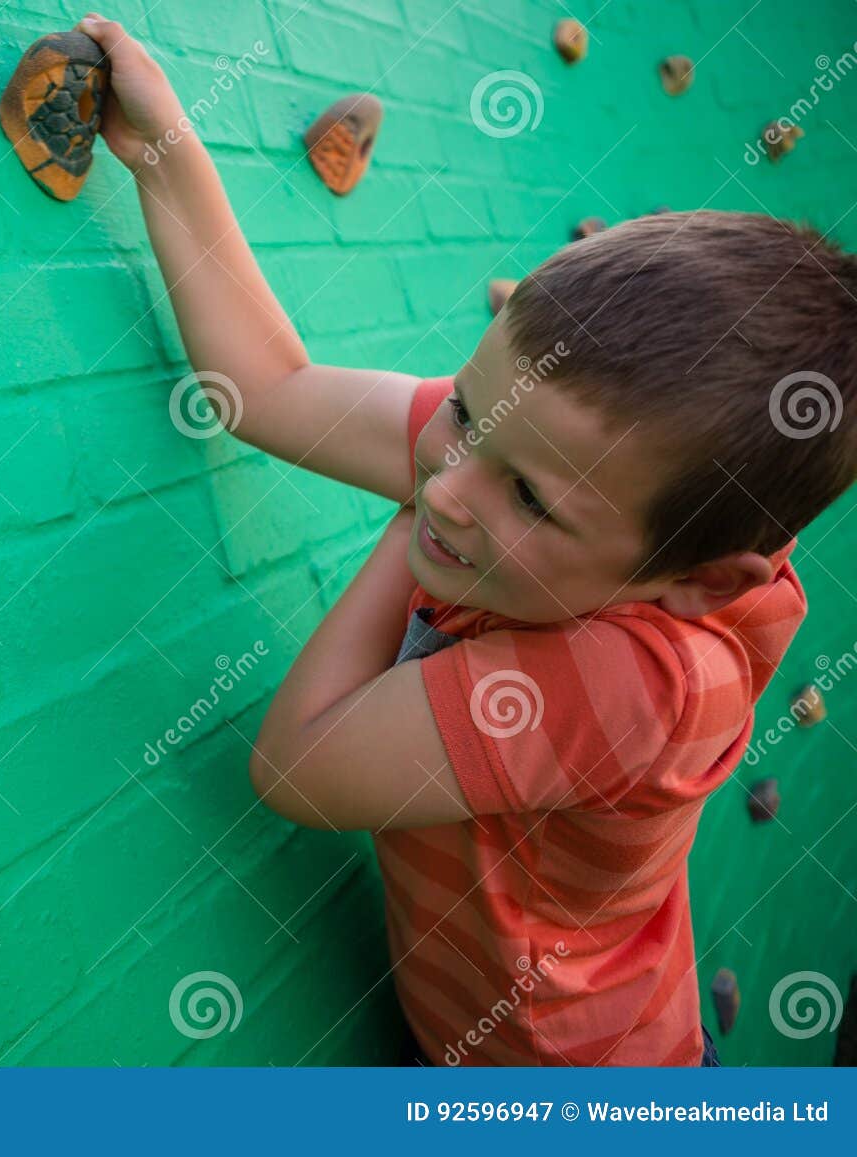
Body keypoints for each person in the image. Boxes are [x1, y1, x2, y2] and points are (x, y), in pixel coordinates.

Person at [75, 13, 852, 1065]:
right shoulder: (551, 454)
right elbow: (268, 389)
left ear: (697, 581)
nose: (454, 481)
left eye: (527, 497)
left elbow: (299, 765)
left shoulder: (636, 682)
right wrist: (166, 155)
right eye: (466, 409)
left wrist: (424, 501)